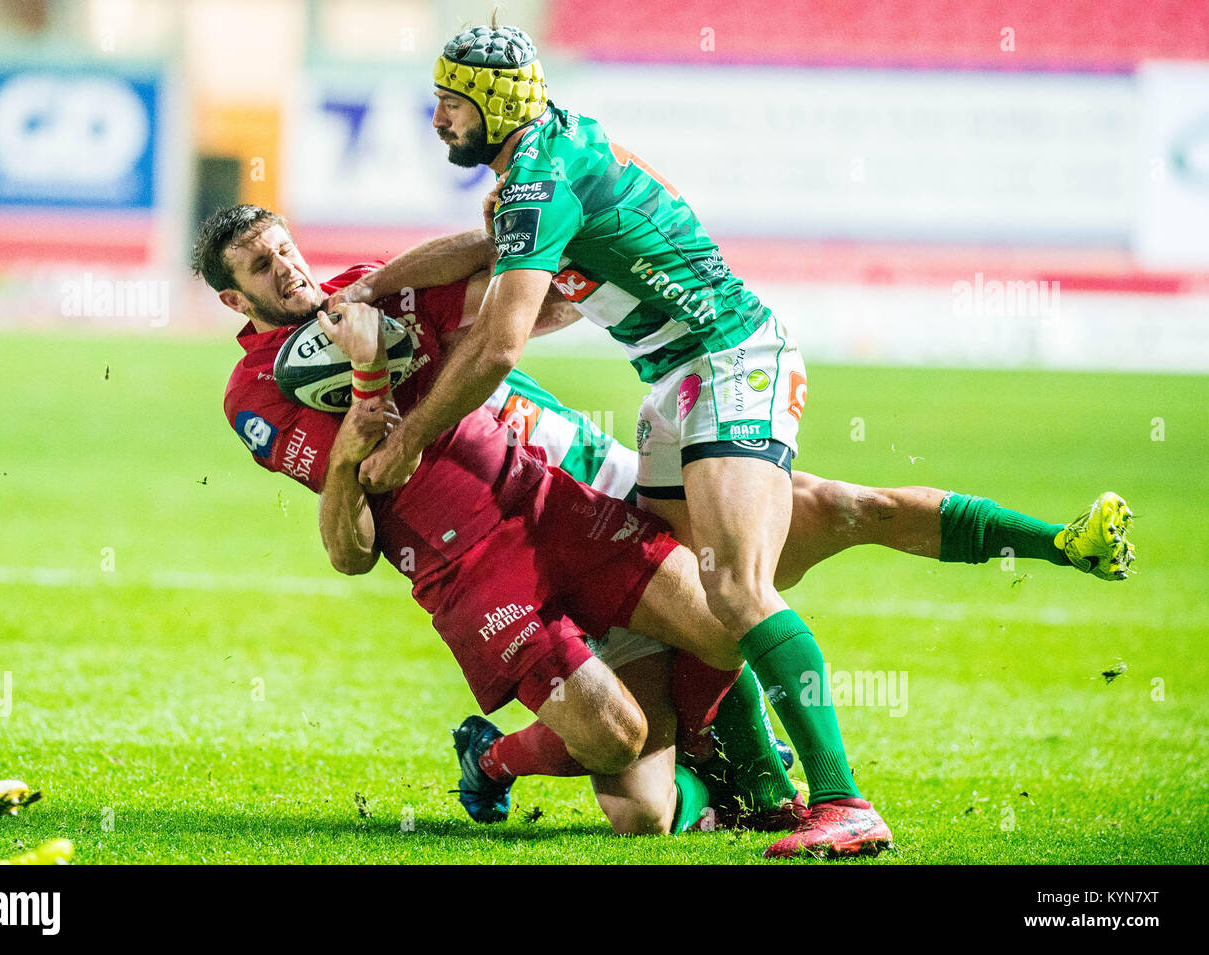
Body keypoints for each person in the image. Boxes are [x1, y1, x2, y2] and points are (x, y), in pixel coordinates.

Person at [337, 23, 1135, 855]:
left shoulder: (537, 181)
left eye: (452, 102)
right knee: (831, 515)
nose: (437, 119)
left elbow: (500, 343)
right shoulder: (555, 149)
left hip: (727, 361)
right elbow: (509, 267)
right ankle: (1057, 543)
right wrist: (379, 283)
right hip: (681, 381)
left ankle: (844, 801)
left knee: (736, 588)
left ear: (496, 104)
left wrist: (410, 440)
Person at [198, 205, 1134, 853]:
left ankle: (785, 783)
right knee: (633, 775)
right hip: (476, 572)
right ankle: (506, 755)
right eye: (261, 265)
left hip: (569, 491)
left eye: (286, 248)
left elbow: (503, 289)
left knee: (754, 592)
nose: (287, 267)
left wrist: (531, 247)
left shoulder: (374, 287)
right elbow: (350, 544)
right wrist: (368, 405)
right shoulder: (256, 395)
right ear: (236, 300)